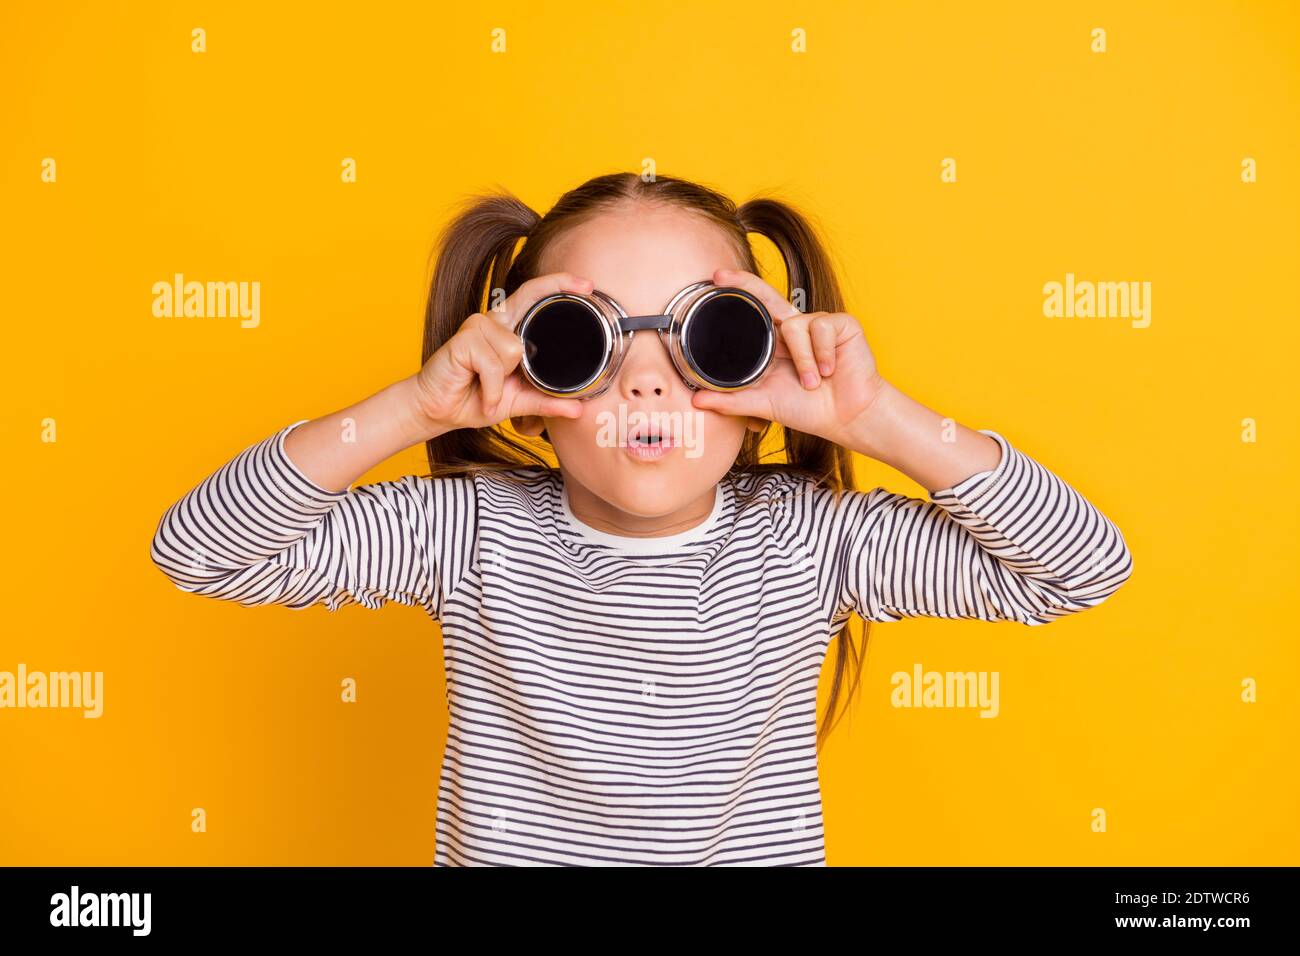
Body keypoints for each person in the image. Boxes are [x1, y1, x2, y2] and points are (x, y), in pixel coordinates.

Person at [150, 171, 1133, 866]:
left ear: (763, 368)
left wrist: (872, 415)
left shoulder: (812, 541)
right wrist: (416, 405)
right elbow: (199, 550)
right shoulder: (468, 535)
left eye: (710, 335)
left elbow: (1080, 566)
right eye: (585, 338)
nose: (648, 377)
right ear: (527, 383)